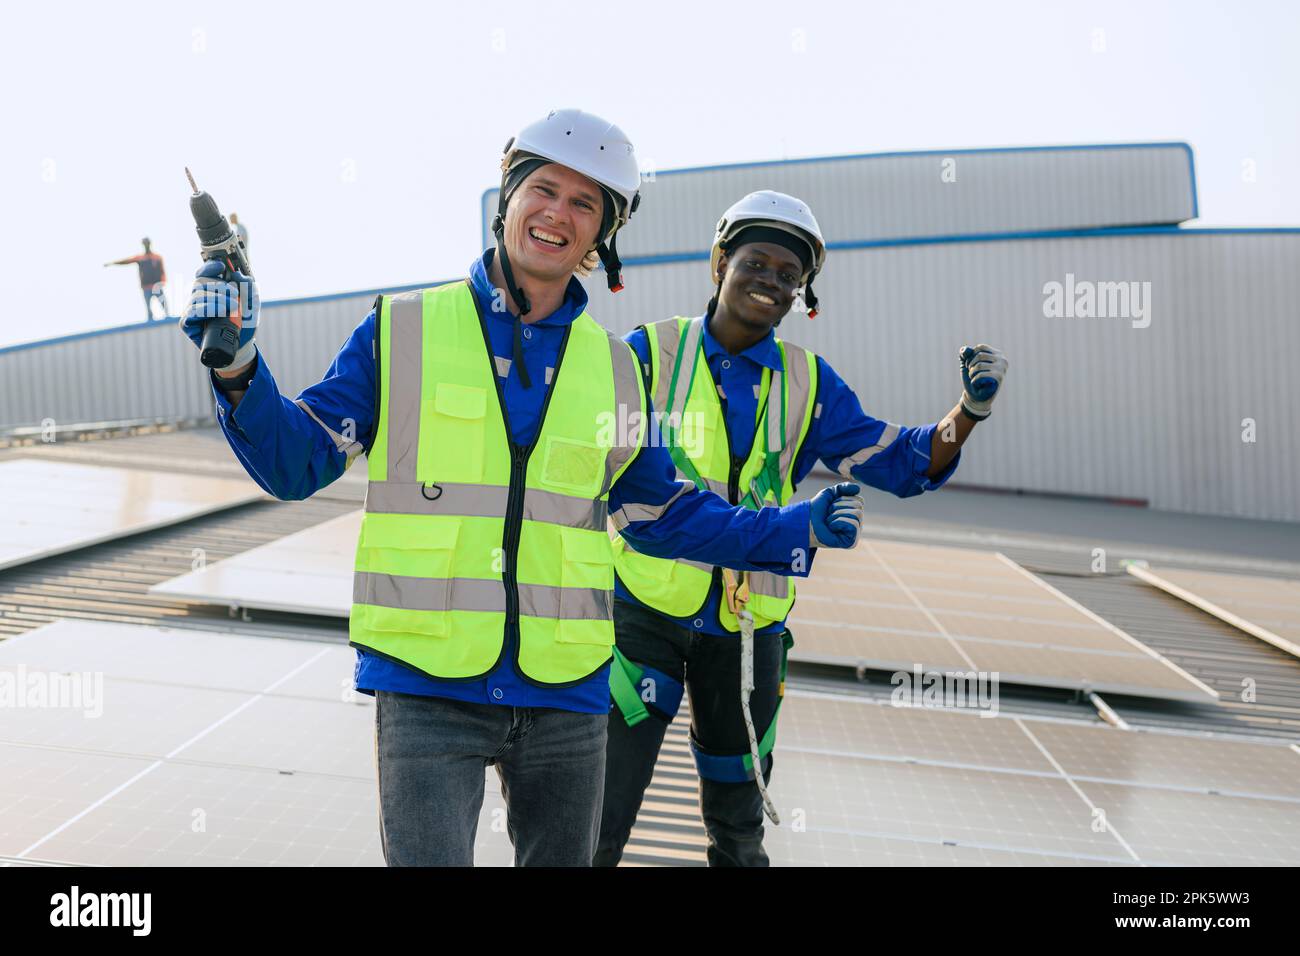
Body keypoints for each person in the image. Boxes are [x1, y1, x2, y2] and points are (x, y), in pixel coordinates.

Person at [180, 112, 867, 867]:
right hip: (428, 689)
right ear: (507, 198)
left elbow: (664, 514)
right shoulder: (402, 328)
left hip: (568, 693)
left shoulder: (615, 368)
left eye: (585, 205)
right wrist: (239, 366)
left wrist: (790, 530)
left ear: (602, 235)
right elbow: (296, 462)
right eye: (544, 189)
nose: (558, 214)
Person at [595, 190, 1009, 867]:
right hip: (642, 613)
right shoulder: (649, 356)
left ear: (802, 292)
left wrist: (966, 412)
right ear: (719, 262)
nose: (772, 282)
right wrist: (795, 526)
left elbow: (901, 460)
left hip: (748, 633)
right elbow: (617, 483)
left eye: (790, 275)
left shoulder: (808, 384)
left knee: (738, 823)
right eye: (757, 263)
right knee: (601, 811)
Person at [105, 238, 168, 321]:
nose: (146, 245)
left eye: (147, 243)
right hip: (146, 287)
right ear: (143, 245)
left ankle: (168, 317)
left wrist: (163, 281)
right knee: (149, 308)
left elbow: (162, 270)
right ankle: (150, 321)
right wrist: (113, 263)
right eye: (145, 243)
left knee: (163, 304)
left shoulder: (157, 257)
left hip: (157, 286)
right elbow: (126, 261)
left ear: (150, 244)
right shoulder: (140, 258)